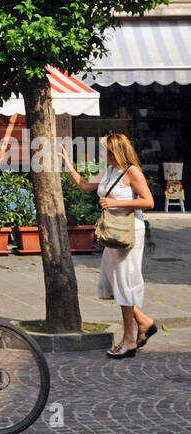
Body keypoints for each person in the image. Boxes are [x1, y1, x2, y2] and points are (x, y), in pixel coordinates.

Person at [61, 132, 156, 359]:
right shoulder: (110, 171)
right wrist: (66, 163)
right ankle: (144, 321)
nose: (101, 152)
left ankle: (129, 339)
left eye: (104, 149)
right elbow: (84, 186)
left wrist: (116, 202)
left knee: (123, 284)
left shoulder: (132, 172)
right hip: (114, 232)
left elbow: (149, 201)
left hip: (129, 232)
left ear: (115, 151)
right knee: (113, 282)